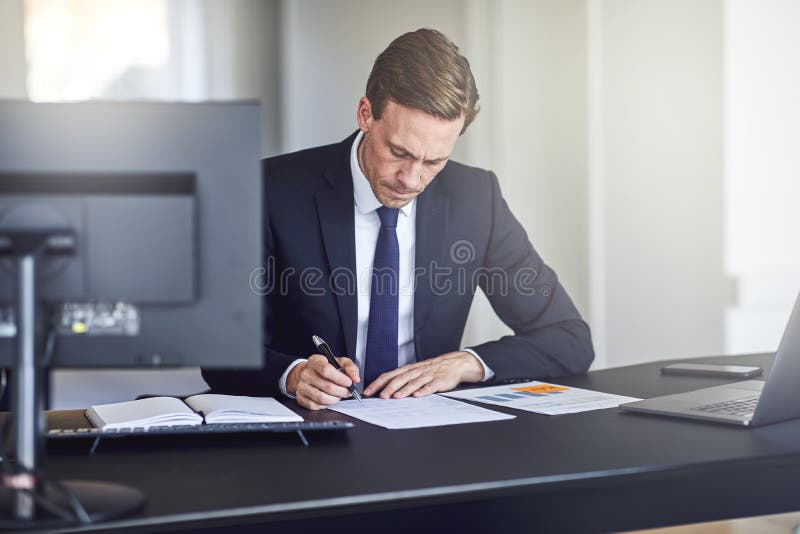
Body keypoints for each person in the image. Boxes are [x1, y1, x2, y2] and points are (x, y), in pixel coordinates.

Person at [202, 28, 594, 410]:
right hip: (310, 436)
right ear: (365, 114)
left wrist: (465, 363)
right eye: (399, 152)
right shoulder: (270, 189)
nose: (412, 179)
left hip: (430, 437)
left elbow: (569, 338)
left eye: (434, 161)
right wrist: (294, 374)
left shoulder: (476, 199)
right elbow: (219, 350)